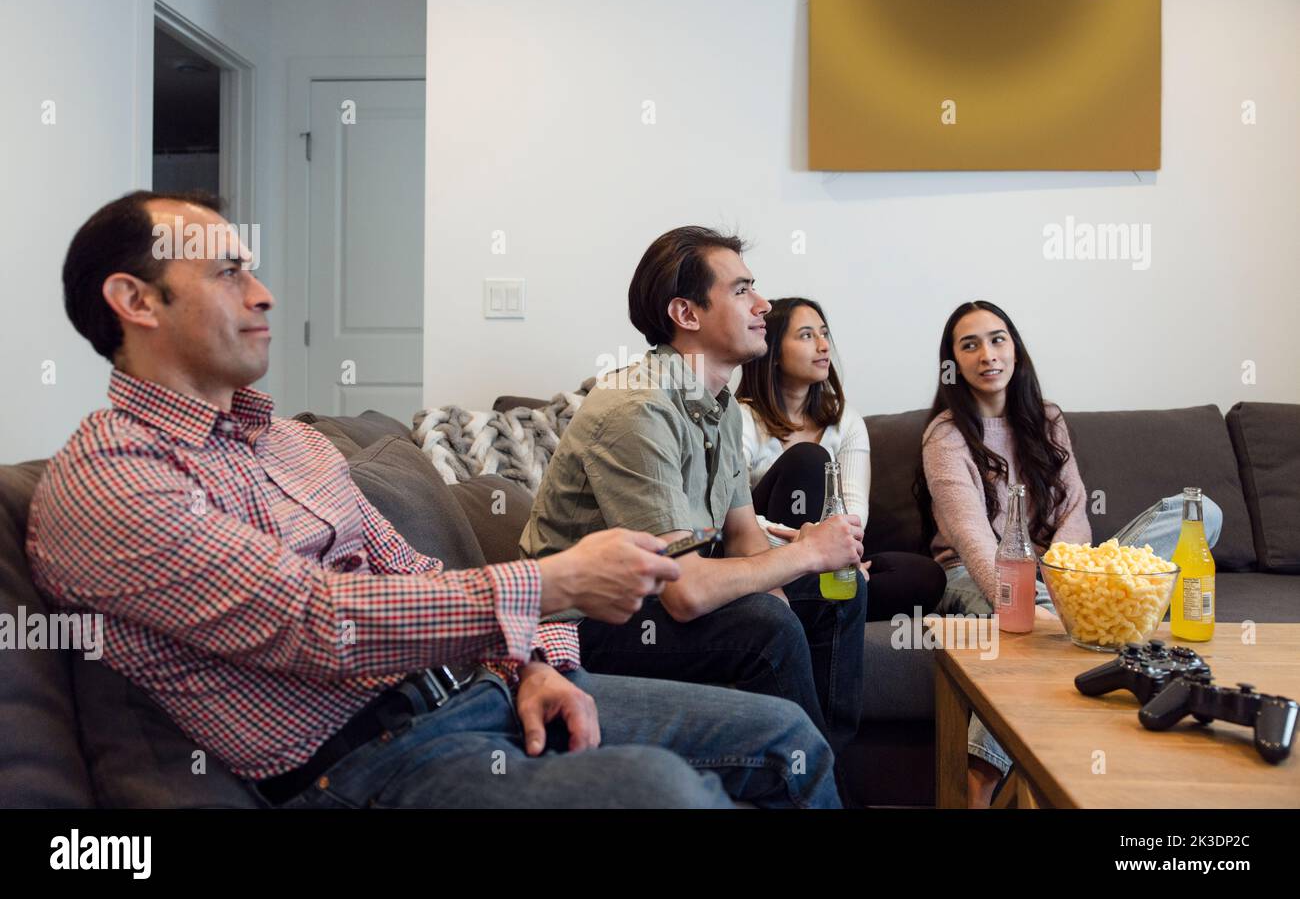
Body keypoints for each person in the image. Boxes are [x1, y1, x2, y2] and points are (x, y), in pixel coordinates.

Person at [25, 191, 841, 808]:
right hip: (364, 758)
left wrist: (535, 663)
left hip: (479, 693)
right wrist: (551, 585)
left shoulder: (295, 444)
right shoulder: (111, 481)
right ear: (135, 301)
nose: (264, 293)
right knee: (656, 788)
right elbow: (318, 622)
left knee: (786, 736)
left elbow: (405, 566)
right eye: (228, 272)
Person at [521, 226, 869, 767]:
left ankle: (825, 772)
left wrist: (795, 578)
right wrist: (806, 553)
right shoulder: (636, 409)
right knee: (769, 624)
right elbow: (681, 592)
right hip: (580, 626)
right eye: (741, 291)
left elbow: (744, 536)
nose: (763, 304)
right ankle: (821, 788)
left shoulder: (722, 406)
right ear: (687, 314)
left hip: (652, 604)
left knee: (837, 593)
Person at [915, 300, 1223, 807]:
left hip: (1063, 570)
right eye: (969, 345)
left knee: (1200, 513)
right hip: (976, 575)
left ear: (1015, 348)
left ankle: (1090, 613)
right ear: (952, 363)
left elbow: (1074, 512)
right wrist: (1034, 603)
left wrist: (1067, 584)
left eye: (997, 339)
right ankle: (982, 778)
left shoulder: (1047, 419)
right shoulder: (946, 436)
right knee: (1020, 624)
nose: (987, 354)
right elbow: (971, 535)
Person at [736, 296, 947, 620]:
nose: (823, 346)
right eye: (807, 335)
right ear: (773, 351)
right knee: (809, 459)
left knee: (923, 575)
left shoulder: (844, 419)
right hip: (766, 560)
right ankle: (816, 596)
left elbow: (854, 513)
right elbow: (735, 519)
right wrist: (807, 549)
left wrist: (840, 559)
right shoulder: (742, 418)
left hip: (830, 560)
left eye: (824, 334)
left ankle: (825, 603)